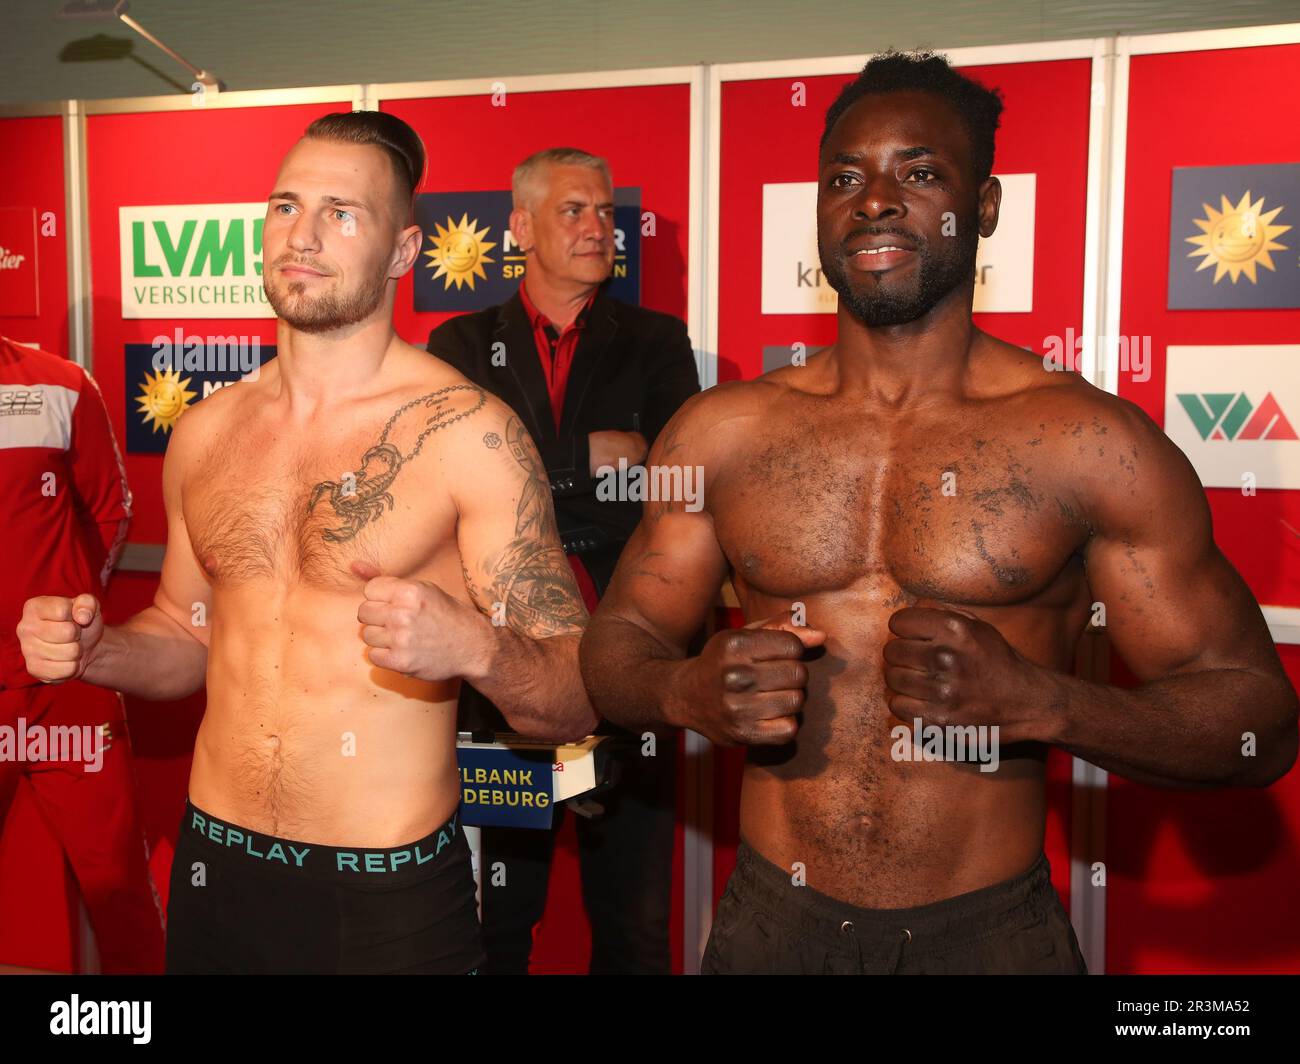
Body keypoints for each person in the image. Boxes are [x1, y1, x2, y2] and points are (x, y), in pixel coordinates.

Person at [578, 50, 1299, 975]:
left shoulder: (1088, 444)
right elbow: (618, 643)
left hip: (988, 938)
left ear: (985, 206)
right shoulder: (724, 433)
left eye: (920, 174)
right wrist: (681, 692)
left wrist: (1047, 703)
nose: (875, 201)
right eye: (846, 178)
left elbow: (1254, 723)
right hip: (771, 928)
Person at [18, 111, 596, 975]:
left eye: (342, 212)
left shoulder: (469, 433)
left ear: (403, 253)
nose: (304, 235)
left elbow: (577, 699)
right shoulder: (207, 433)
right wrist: (100, 650)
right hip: (218, 868)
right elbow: (187, 634)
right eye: (286, 206)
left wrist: (474, 646)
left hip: (386, 895)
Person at [428, 147, 700, 974]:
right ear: (520, 227)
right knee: (496, 925)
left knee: (634, 928)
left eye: (604, 211)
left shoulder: (656, 341)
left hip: (631, 652)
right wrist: (582, 460)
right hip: (500, 674)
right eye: (573, 210)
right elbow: (442, 480)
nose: (597, 227)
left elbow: (672, 474)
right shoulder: (462, 342)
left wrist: (514, 470)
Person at [0, 335, 164, 973]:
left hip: (68, 692)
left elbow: (110, 508)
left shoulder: (60, 382)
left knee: (119, 885)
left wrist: (71, 622)